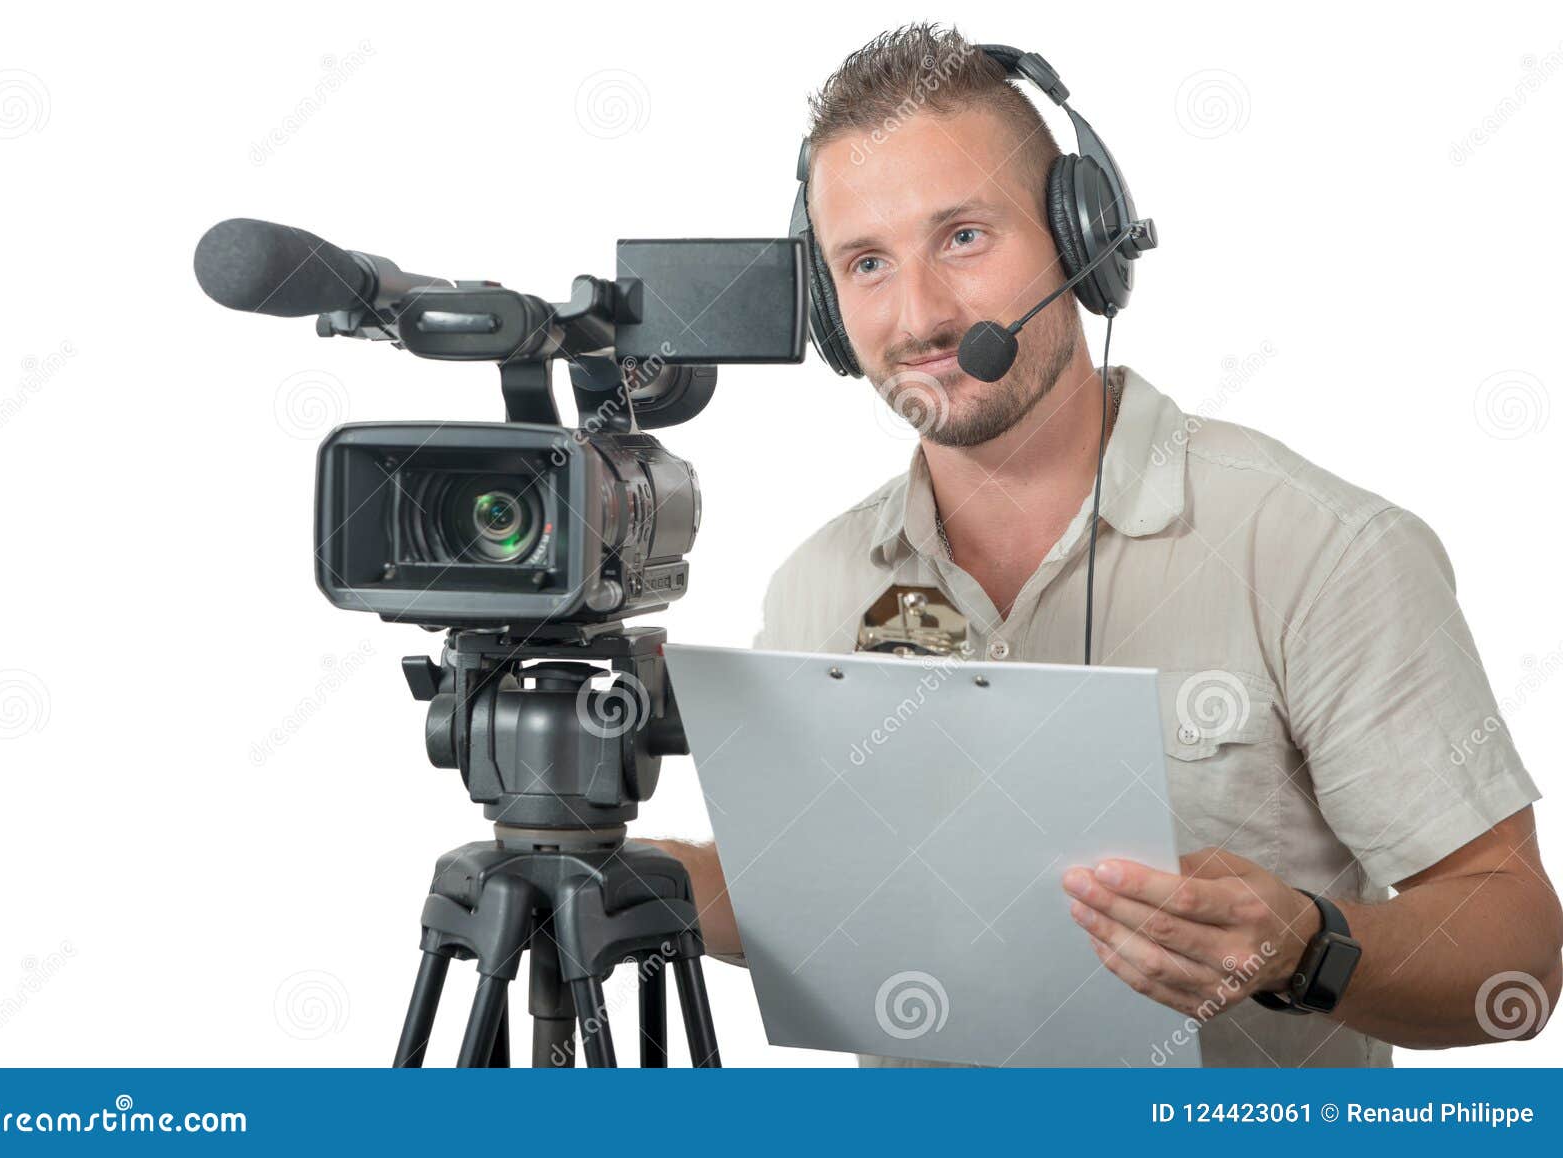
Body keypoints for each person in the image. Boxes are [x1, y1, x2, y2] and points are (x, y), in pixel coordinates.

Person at [646, 23, 1561, 1067]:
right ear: (824, 305)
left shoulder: (1319, 547)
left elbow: (1516, 955)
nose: (920, 315)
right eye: (865, 263)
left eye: (963, 238)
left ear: (1082, 241)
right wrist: (608, 871)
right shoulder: (816, 585)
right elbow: (803, 889)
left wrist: (1306, 947)